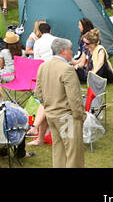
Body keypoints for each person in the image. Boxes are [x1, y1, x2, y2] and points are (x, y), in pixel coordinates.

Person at [34, 38, 85, 168]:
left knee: (59, 152)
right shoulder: (67, 69)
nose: (72, 52)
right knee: (74, 154)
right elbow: (74, 97)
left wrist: (48, 106)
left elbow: (38, 93)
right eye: (70, 49)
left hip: (51, 115)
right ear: (63, 51)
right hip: (67, 117)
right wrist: (79, 116)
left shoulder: (43, 66)